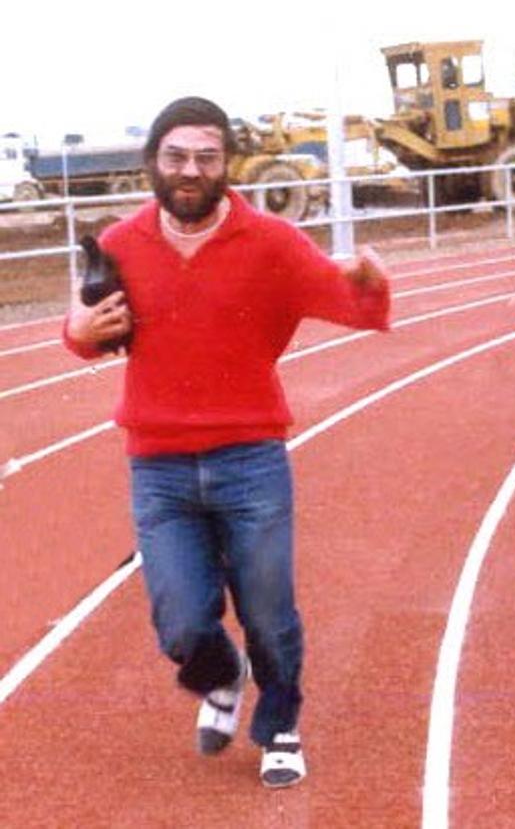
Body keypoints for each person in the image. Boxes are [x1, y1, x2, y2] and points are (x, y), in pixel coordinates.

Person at [63, 97, 391, 789]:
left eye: (206, 158)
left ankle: (280, 727)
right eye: (177, 156)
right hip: (158, 464)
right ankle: (221, 675)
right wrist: (79, 333)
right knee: (180, 620)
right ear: (154, 161)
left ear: (225, 165)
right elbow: (86, 328)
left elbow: (347, 299)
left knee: (269, 609)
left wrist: (369, 284)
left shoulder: (270, 241)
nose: (191, 170)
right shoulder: (121, 245)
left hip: (251, 459)